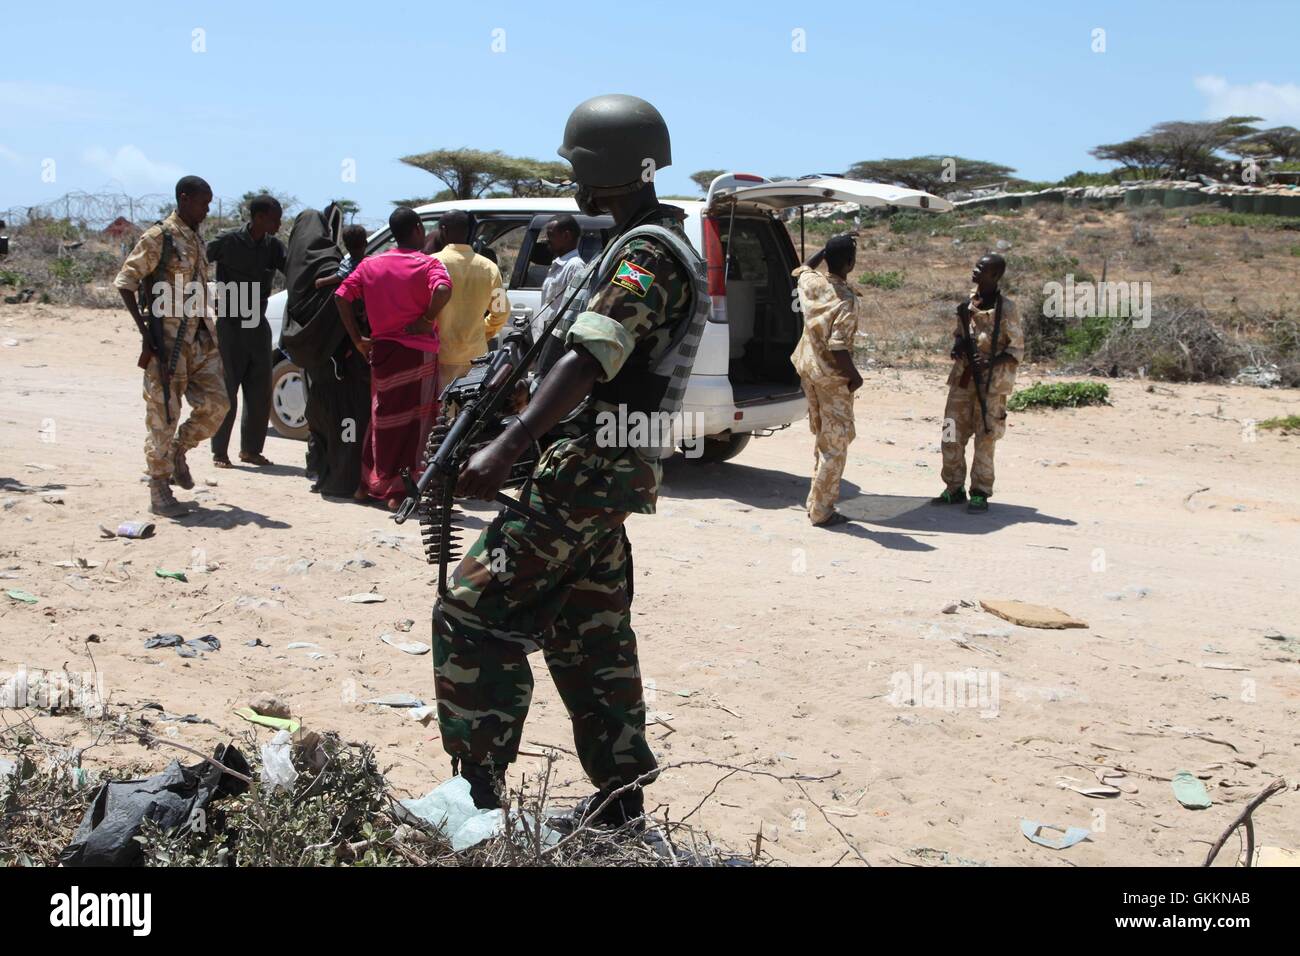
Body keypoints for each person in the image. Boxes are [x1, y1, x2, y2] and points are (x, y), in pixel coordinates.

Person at [433, 94, 707, 831]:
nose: (572, 181)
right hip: (608, 472)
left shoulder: (647, 252)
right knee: (590, 630)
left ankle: (476, 796)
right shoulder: (640, 242)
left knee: (471, 607)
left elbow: (593, 354)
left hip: (588, 467)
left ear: (605, 167)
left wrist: (509, 443)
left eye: (577, 165)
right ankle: (621, 801)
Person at [114, 175, 229, 517]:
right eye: (202, 203)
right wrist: (145, 335)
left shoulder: (195, 237)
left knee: (218, 405)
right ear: (184, 198)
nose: (207, 209)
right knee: (164, 415)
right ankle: (159, 488)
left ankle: (179, 450)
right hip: (167, 342)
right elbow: (126, 282)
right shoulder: (159, 236)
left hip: (199, 338)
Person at [334, 207, 451, 509]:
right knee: (415, 423)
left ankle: (366, 485)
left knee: (381, 418)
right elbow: (442, 290)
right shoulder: (428, 264)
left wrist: (357, 339)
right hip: (418, 352)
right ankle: (397, 492)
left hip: (382, 351)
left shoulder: (371, 264)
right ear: (416, 229)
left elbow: (341, 296)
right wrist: (427, 319)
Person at [932, 252, 1023, 513]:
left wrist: (989, 362)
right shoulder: (967, 306)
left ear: (994, 276)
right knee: (951, 433)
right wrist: (958, 347)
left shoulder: (1007, 310)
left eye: (981, 268)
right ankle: (953, 488)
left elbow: (1017, 350)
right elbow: (960, 336)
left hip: (991, 387)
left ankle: (980, 492)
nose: (975, 270)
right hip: (963, 381)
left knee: (985, 437)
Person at [205, 194, 287, 469]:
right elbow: (196, 260)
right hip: (229, 324)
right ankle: (220, 452)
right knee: (227, 388)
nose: (278, 224)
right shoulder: (227, 241)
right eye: (275, 218)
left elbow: (293, 271)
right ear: (260, 217)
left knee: (259, 389)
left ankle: (251, 450)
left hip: (257, 324)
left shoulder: (273, 247)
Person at [790, 235, 862, 527]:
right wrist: (854, 377)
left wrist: (828, 250)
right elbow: (838, 346)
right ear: (850, 263)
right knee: (836, 445)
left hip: (809, 370)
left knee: (823, 437)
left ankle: (815, 502)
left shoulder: (813, 284)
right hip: (832, 378)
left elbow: (802, 268)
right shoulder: (845, 299)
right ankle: (822, 510)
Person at [430, 209, 510, 390]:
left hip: (440, 355)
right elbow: (501, 311)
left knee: (443, 415)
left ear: (443, 230)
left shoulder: (432, 263)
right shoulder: (489, 267)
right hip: (476, 354)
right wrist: (484, 331)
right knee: (469, 412)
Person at [532, 214, 586, 344]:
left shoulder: (575, 266)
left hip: (554, 342)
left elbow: (571, 313)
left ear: (566, 236)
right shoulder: (558, 264)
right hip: (542, 340)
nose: (547, 239)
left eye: (551, 235)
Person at [315, 224, 369, 290]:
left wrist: (322, 281)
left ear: (346, 247)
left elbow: (341, 275)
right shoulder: (370, 261)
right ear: (366, 243)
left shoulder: (349, 263)